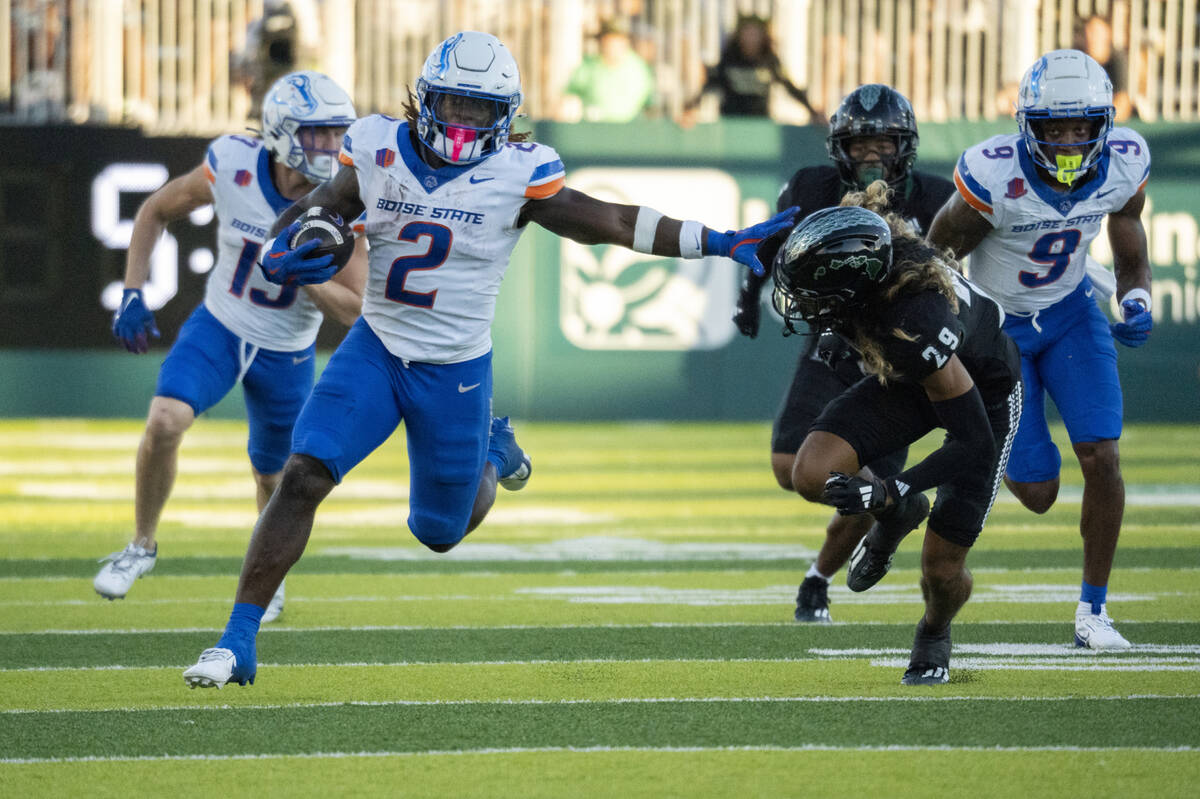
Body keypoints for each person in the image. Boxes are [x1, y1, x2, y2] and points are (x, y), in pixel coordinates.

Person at [182, 30, 797, 688]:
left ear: (504, 114)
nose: (464, 120)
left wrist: (721, 241)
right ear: (427, 99)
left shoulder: (518, 173)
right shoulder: (377, 146)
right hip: (377, 347)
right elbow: (315, 209)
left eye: (480, 108)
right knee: (305, 471)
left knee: (440, 530)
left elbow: (617, 223)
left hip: (455, 367)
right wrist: (280, 249)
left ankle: (495, 452)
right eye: (455, 103)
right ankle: (237, 637)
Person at [95, 70, 368, 625]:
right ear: (282, 131)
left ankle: (269, 579)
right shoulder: (235, 164)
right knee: (165, 420)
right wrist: (131, 291)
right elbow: (156, 209)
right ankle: (141, 545)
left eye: (337, 132)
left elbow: (354, 309)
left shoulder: (347, 199)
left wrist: (306, 276)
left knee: (273, 477)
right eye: (317, 132)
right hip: (220, 325)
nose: (330, 145)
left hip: (287, 349)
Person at [927, 49, 1153, 650]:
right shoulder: (995, 176)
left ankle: (1094, 611)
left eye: (1083, 127)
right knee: (1038, 493)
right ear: (1029, 125)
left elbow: (1129, 242)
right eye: (1056, 128)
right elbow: (934, 257)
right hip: (1001, 332)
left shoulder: (1123, 163)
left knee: (1102, 455)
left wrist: (1135, 296)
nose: (1071, 141)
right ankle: (1006, 447)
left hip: (1072, 314)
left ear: (1104, 124)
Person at [774, 188, 1022, 684]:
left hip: (984, 396)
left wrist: (889, 487)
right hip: (912, 378)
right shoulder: (870, 259)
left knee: (941, 568)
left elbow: (973, 441)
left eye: (812, 291)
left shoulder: (914, 322)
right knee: (812, 472)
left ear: (851, 288)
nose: (800, 301)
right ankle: (899, 514)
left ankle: (934, 630)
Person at [733, 84, 955, 623]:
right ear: (840, 149)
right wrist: (749, 294)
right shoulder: (813, 187)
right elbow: (770, 243)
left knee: (861, 481)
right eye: (860, 145)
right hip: (834, 341)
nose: (872, 155)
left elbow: (959, 274)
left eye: (883, 144)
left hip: (900, 356)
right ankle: (892, 503)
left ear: (904, 146)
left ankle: (818, 579)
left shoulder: (936, 198)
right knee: (788, 467)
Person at [680, 14, 822, 126]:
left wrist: (813, 112)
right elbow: (711, 83)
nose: (751, 39)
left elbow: (788, 86)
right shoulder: (730, 59)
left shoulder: (769, 61)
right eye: (747, 33)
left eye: (755, 34)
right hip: (732, 123)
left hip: (759, 123)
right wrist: (691, 108)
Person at [560, 18, 656, 123]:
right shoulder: (588, 67)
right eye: (606, 40)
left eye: (615, 40)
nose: (610, 45)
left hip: (630, 128)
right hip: (594, 128)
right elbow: (567, 97)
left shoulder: (639, 70)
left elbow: (650, 106)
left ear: (625, 42)